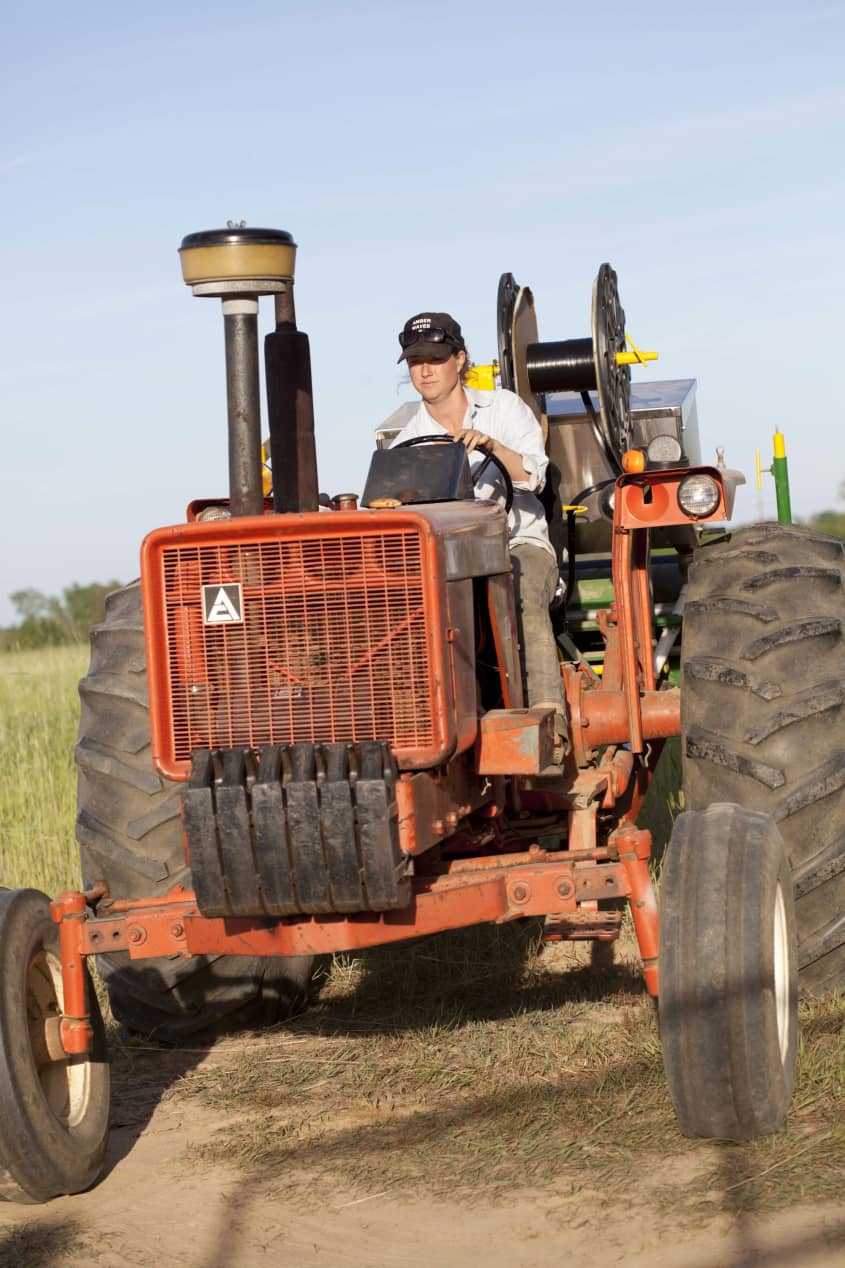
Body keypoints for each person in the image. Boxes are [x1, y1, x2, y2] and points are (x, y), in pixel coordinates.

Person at [391, 311, 567, 759]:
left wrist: (490, 446)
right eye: (415, 361)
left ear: (460, 358)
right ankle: (417, 730)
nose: (425, 370)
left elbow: (533, 476)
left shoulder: (504, 408)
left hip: (516, 543)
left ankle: (551, 725)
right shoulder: (406, 441)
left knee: (522, 589)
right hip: (448, 561)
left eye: (435, 357)